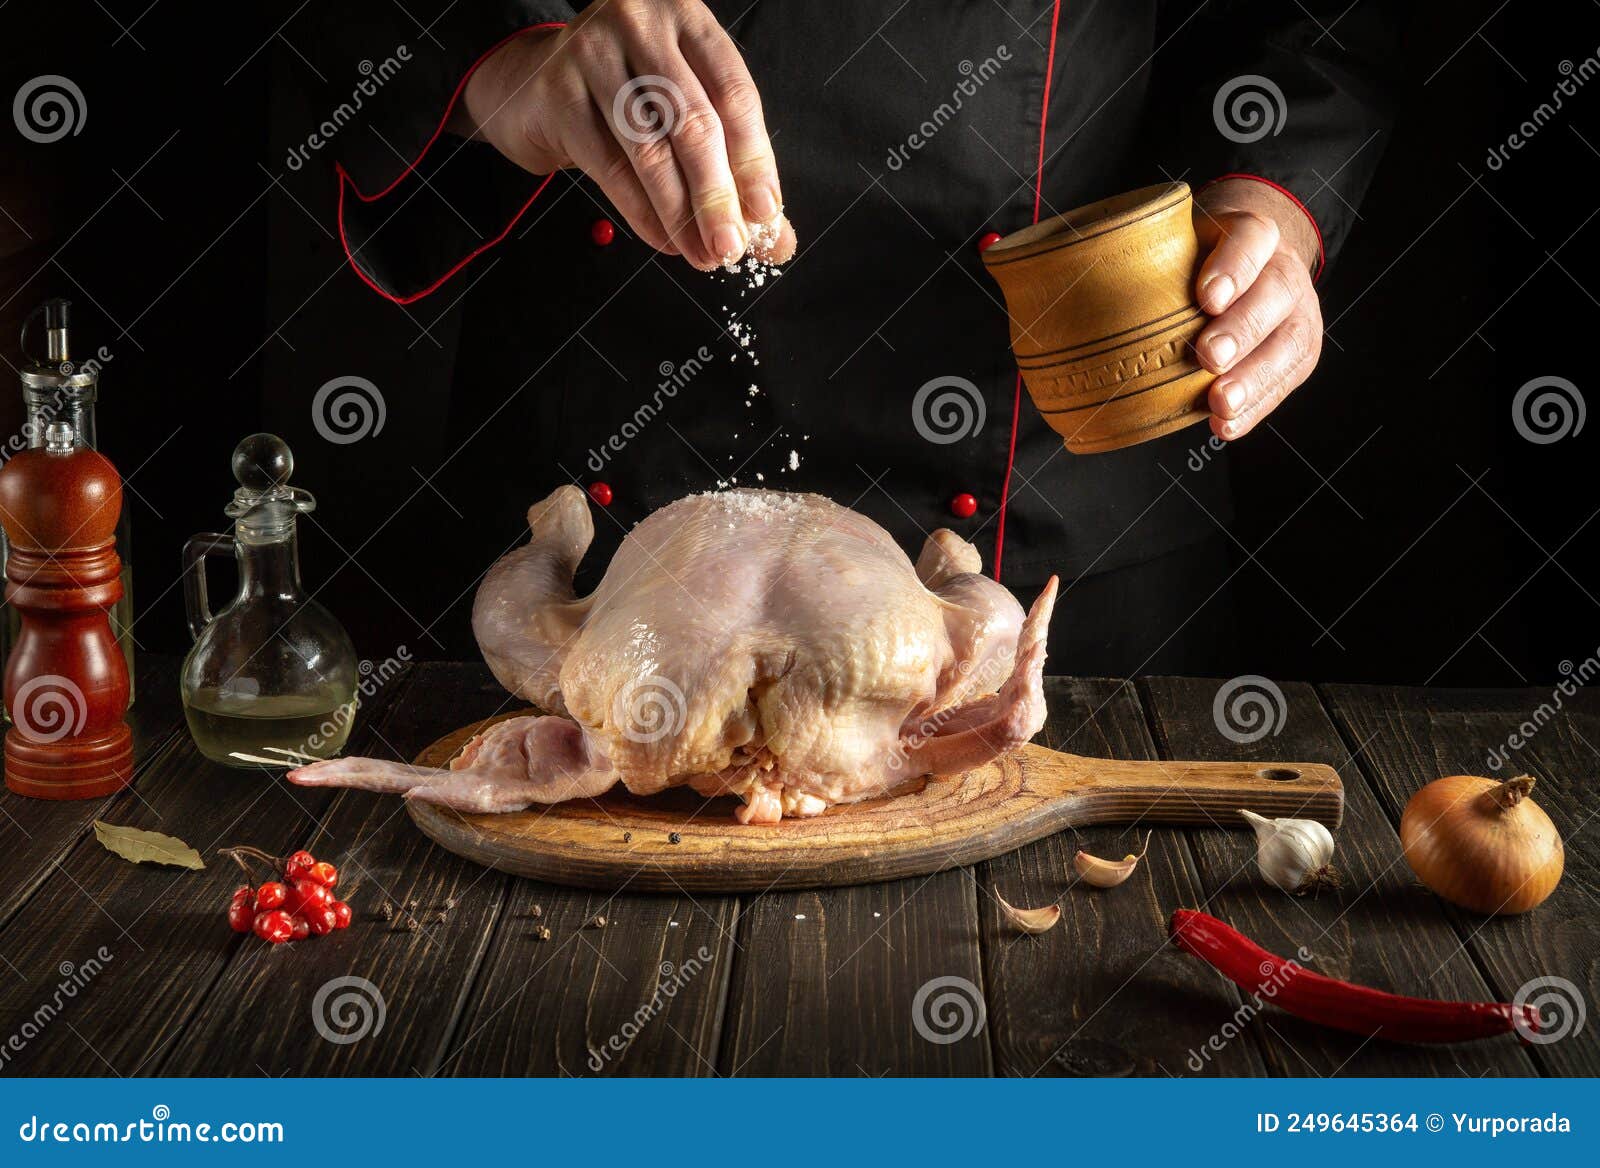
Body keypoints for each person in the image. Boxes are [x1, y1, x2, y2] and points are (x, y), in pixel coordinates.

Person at [295, 0, 1393, 672]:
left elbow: (1320, 25)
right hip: (601, 537)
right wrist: (508, 60)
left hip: (1052, 560)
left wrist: (1274, 207)